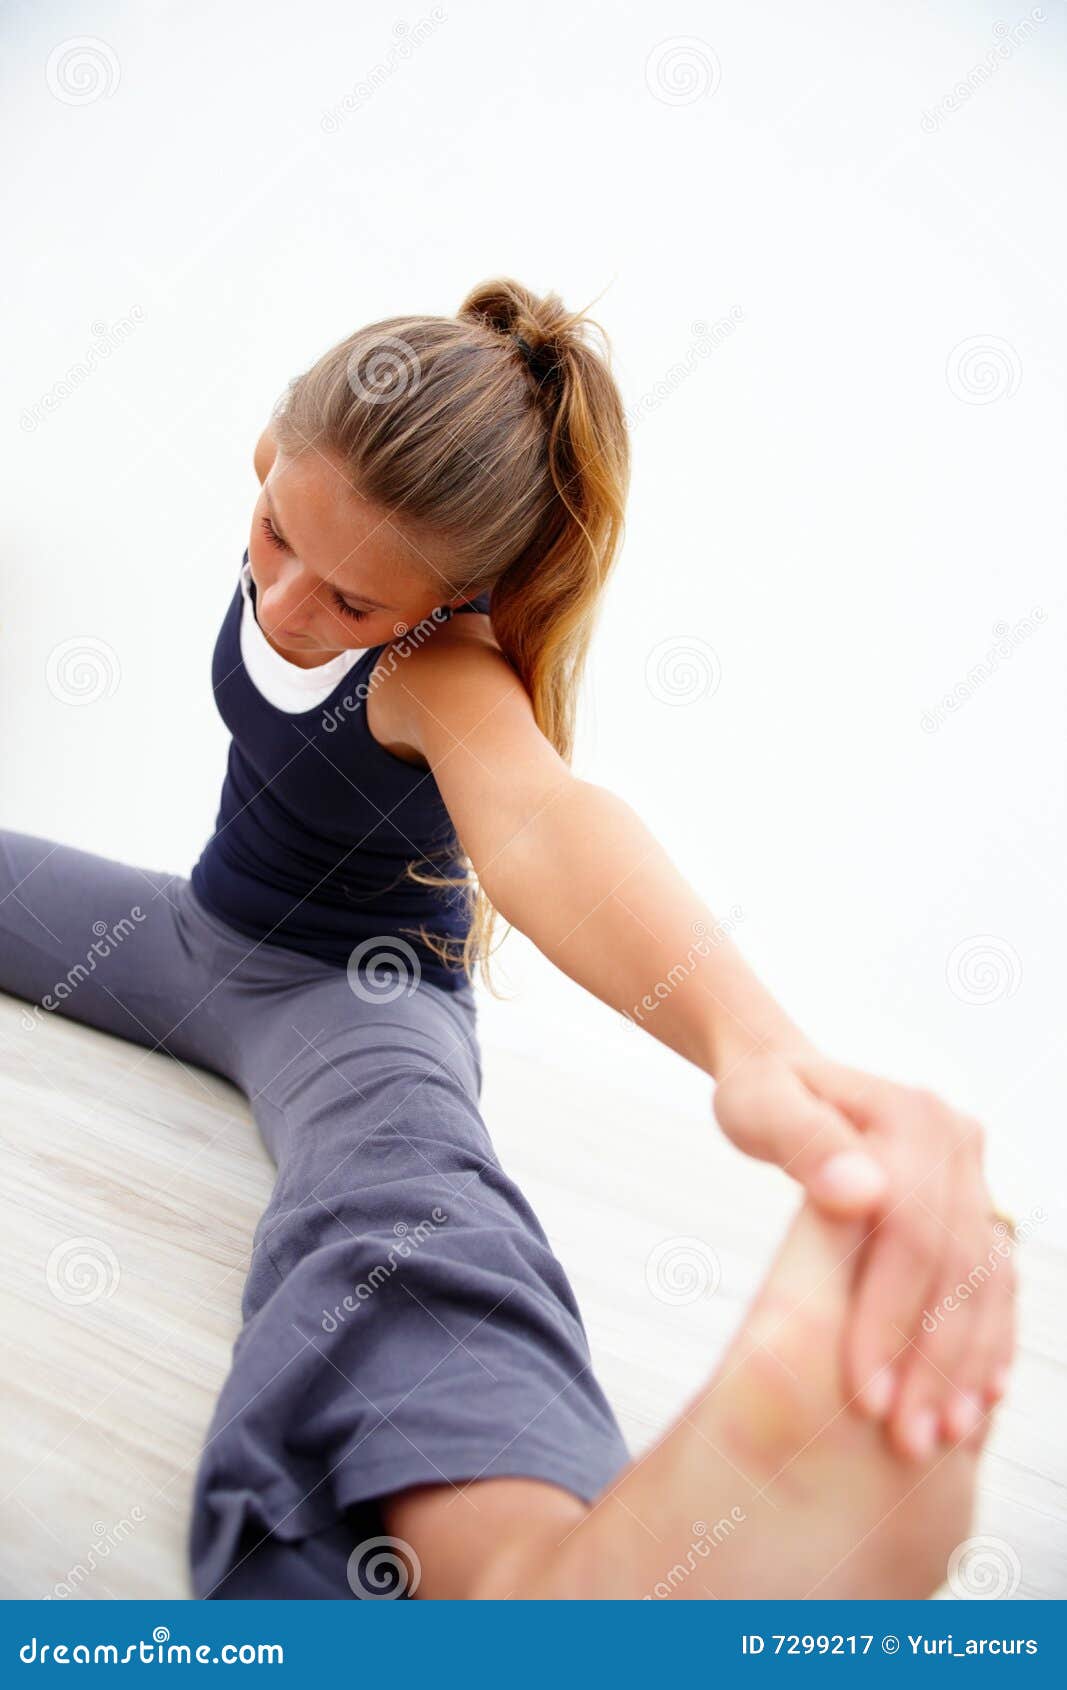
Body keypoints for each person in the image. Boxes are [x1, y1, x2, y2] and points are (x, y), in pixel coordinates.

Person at [0, 277, 1013, 1599]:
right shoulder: (306, 495)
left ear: (451, 598)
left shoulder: (442, 671)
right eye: (273, 535)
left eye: (357, 604)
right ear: (269, 461)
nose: (294, 603)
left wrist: (751, 1047)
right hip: (195, 931)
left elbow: (545, 827)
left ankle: (551, 1573)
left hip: (350, 999)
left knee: (395, 1204)